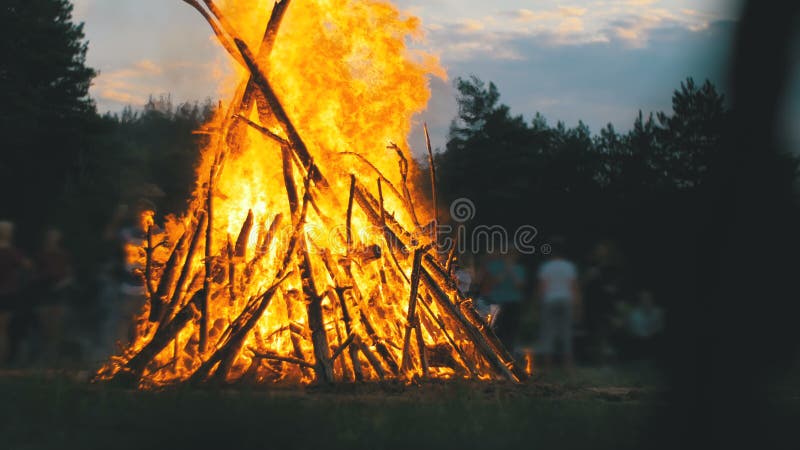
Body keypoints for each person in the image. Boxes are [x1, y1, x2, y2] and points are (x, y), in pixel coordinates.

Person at [536, 238, 579, 371]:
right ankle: (568, 365)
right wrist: (577, 304)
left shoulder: (546, 267)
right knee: (566, 332)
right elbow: (573, 286)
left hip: (549, 300)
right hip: (566, 299)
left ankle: (548, 365)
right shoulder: (569, 266)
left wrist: (538, 303)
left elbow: (542, 287)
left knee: (548, 332)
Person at [34, 227, 75, 364]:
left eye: (54, 237)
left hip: (58, 293)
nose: (52, 239)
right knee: (44, 327)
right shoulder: (40, 255)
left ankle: (53, 358)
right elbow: (34, 273)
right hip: (43, 292)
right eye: (50, 237)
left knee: (56, 329)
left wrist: (63, 284)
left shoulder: (63, 255)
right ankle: (43, 357)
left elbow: (69, 274)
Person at [480, 249, 526, 351]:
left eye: (513, 255)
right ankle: (497, 351)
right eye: (509, 255)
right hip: (498, 302)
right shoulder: (495, 267)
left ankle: (510, 352)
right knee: (497, 329)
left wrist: (511, 271)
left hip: (513, 302)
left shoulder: (519, 268)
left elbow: (520, 285)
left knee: (512, 329)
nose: (510, 257)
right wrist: (505, 270)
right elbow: (492, 282)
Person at [0, 221, 32, 365]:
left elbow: (27, 266)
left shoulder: (12, 252)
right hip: (8, 293)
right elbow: (28, 266)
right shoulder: (12, 252)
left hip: (7, 293)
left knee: (2, 329)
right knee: (2, 329)